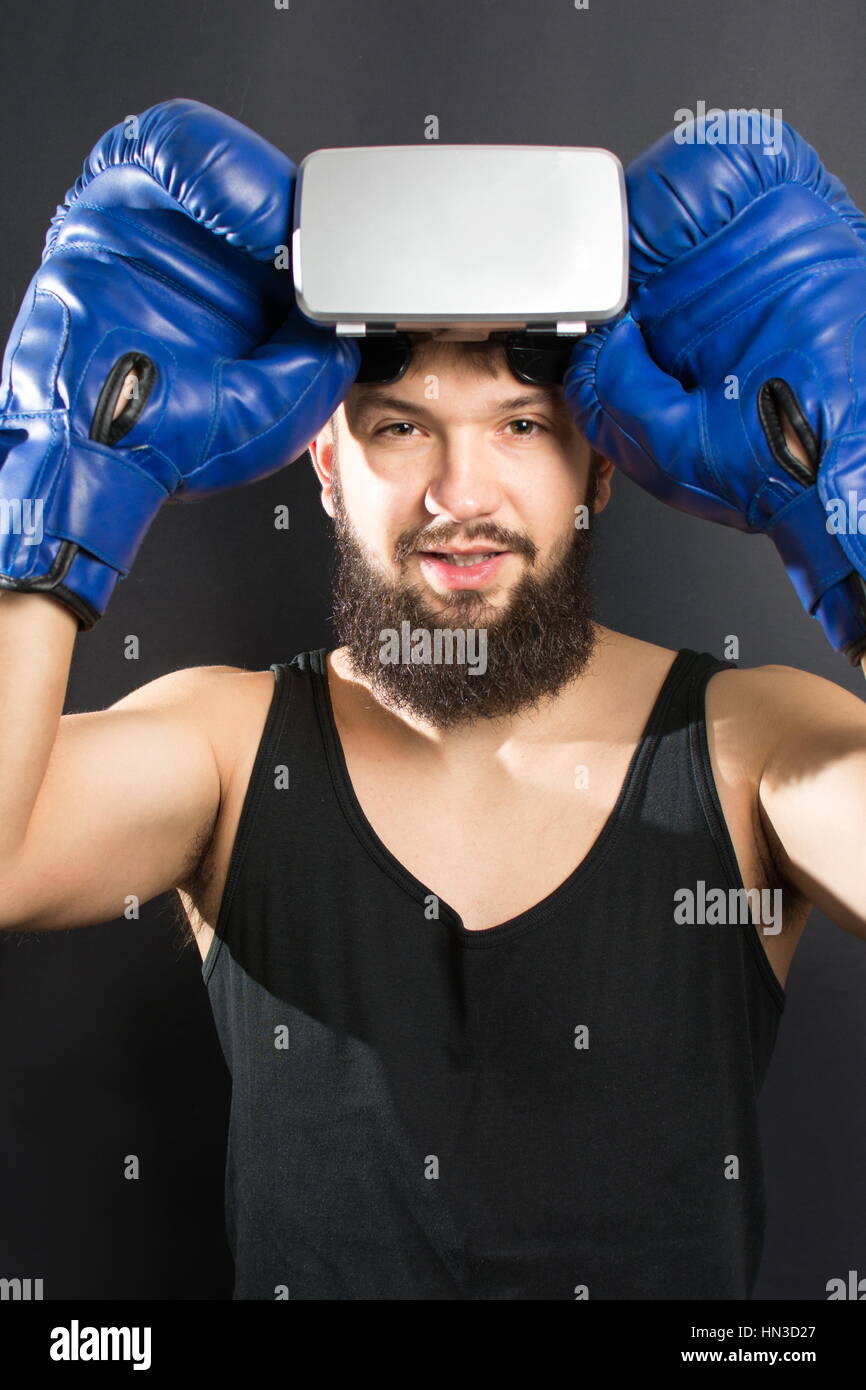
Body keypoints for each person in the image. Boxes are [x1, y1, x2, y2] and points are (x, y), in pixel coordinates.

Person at [2, 100, 865, 1300]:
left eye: (519, 424)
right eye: (399, 428)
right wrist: (57, 489)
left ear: (601, 458)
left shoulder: (746, 745)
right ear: (317, 451)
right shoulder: (229, 747)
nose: (461, 492)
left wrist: (855, 520)